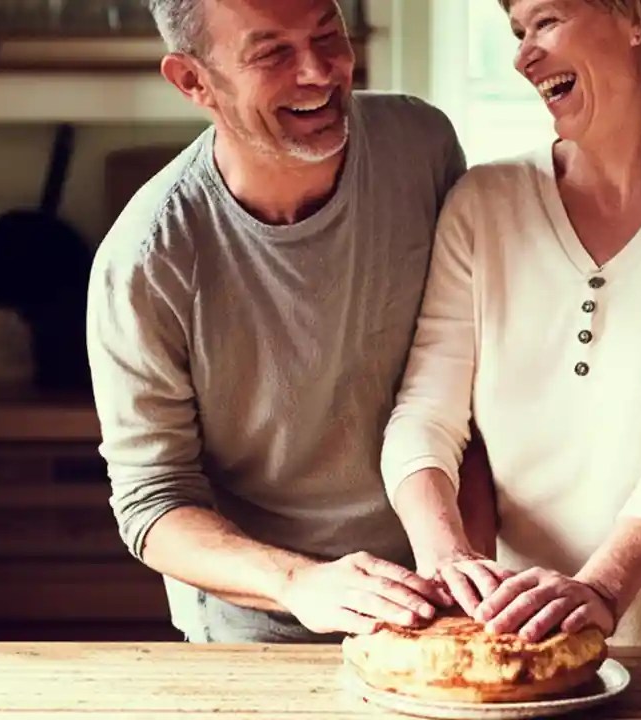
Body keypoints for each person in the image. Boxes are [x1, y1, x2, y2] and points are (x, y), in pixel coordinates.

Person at [380, 0, 641, 649]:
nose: (523, 55)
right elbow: (424, 415)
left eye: (545, 21)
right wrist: (447, 559)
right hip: (519, 633)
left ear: (637, 18)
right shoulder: (484, 203)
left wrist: (602, 589)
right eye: (518, 33)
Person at [86, 0, 467, 643]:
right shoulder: (147, 258)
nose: (319, 72)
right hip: (264, 625)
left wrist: (458, 563)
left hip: (441, 599)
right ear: (192, 81)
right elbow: (152, 503)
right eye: (273, 53)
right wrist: (299, 583)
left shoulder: (420, 145)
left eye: (328, 35)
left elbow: (464, 379)